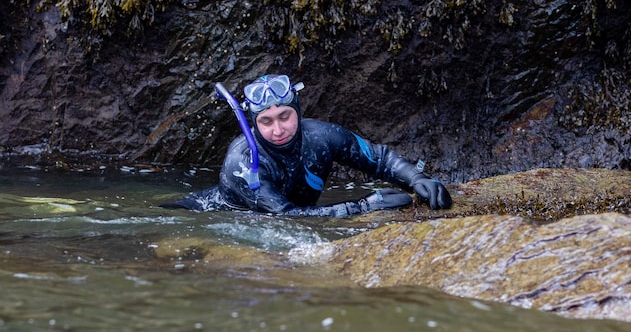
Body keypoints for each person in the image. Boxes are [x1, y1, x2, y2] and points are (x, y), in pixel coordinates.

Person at [165, 73, 452, 217]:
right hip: (205, 213)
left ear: (298, 112)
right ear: (253, 123)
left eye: (285, 116)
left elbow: (378, 159)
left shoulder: (322, 137)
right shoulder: (242, 163)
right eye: (266, 121)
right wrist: (364, 206)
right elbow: (287, 218)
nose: (278, 130)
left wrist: (416, 178)